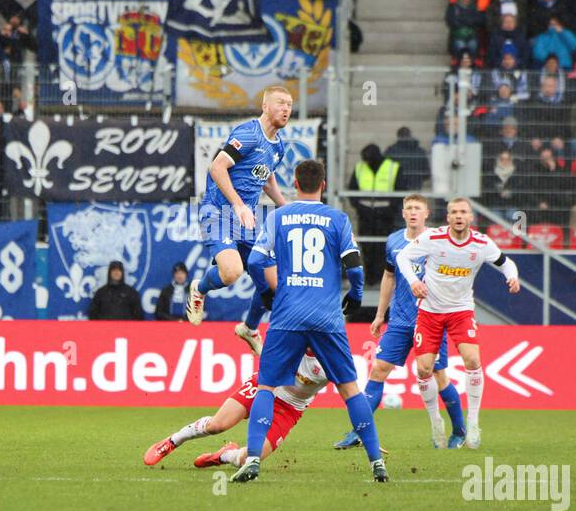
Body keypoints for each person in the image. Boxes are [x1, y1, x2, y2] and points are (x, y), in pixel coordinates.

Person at [233, 159, 387, 483]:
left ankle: (251, 459)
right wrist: (356, 295)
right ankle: (376, 462)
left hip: (287, 315)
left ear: (294, 183)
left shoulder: (278, 217)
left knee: (267, 387)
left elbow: (257, 260)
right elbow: (355, 265)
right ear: (325, 184)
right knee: (350, 390)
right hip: (327, 318)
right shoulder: (337, 218)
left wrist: (267, 293)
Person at [333, 195, 466, 450]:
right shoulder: (394, 241)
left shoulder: (439, 241)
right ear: (403, 213)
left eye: (418, 208)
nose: (413, 212)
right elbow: (388, 278)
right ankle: (358, 431)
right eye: (409, 208)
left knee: (437, 375)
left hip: (430, 320)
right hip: (400, 320)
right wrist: (380, 314)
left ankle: (459, 431)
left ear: (426, 213)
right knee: (378, 370)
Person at [396, 198, 521, 449]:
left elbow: (505, 262)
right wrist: (412, 281)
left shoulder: (482, 244)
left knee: (473, 360)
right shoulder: (433, 238)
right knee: (423, 369)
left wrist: (513, 277)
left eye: (463, 212)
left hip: (461, 310)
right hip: (429, 311)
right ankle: (435, 423)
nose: (459, 216)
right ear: (448, 217)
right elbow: (403, 258)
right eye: (454, 212)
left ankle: (473, 423)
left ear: (471, 217)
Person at [188, 85, 291, 354]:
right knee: (232, 272)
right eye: (280, 103)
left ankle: (249, 328)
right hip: (219, 211)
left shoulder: (278, 145)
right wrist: (238, 204)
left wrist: (285, 206)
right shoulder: (248, 134)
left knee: (273, 282)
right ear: (265, 106)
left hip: (246, 220)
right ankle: (199, 289)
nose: (286, 109)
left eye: (290, 105)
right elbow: (217, 167)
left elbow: (267, 178)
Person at [141, 353, 330, 468]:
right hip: (265, 386)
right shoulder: (291, 337)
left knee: (250, 458)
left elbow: (349, 390)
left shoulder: (331, 360)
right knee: (217, 425)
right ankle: (173, 441)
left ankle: (224, 455)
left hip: (290, 408)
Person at [348, 143, 399, 283]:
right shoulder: (360, 167)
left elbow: (401, 189)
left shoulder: (392, 167)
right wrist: (359, 207)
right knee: (367, 247)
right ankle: (370, 279)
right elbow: (352, 189)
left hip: (385, 215)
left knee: (383, 247)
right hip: (365, 215)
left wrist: (391, 210)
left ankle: (382, 278)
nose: (367, 162)